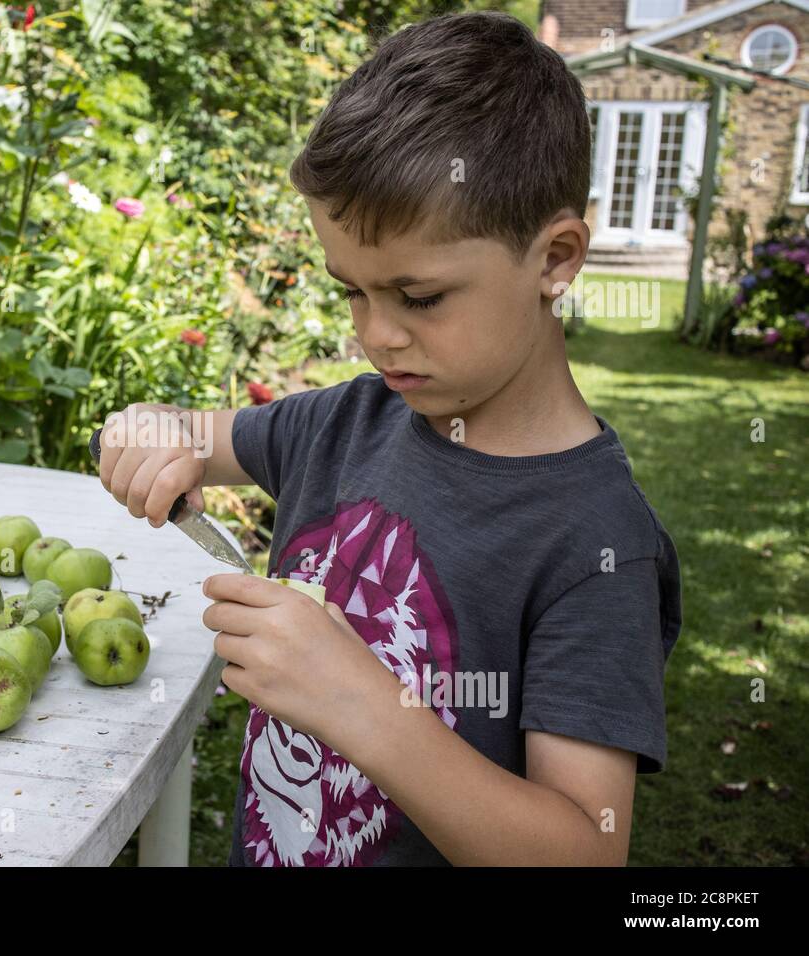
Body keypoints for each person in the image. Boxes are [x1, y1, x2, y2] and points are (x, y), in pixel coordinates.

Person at [94, 11, 682, 867]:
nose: (379, 336)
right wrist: (153, 433)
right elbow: (192, 434)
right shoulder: (347, 422)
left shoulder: (593, 543)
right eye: (352, 293)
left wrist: (363, 706)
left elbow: (582, 849)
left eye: (419, 296)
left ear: (555, 258)